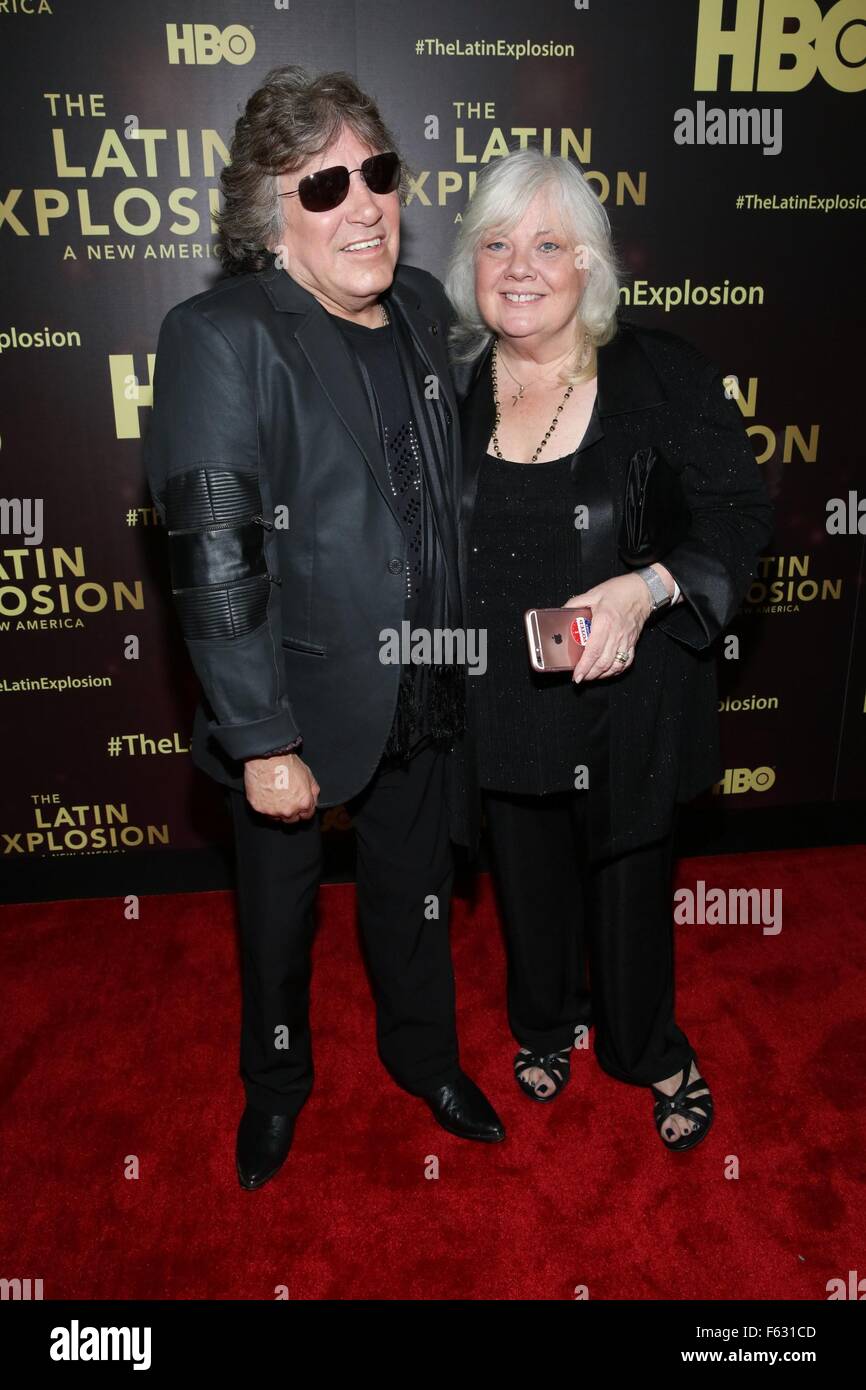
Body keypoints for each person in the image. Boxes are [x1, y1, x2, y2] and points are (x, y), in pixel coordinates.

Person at [144, 66, 504, 1192]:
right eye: (323, 185)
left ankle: (425, 1059)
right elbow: (213, 556)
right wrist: (258, 738)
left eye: (377, 174)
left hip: (423, 681)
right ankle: (276, 1088)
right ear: (269, 217)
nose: (363, 205)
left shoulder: (424, 303)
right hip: (295, 705)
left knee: (414, 894)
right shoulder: (217, 334)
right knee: (278, 921)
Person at [445, 147, 774, 1151]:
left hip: (627, 694)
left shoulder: (656, 372)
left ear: (590, 264)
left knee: (630, 882)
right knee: (525, 868)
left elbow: (737, 513)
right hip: (498, 693)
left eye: (547, 243)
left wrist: (646, 589)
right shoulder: (446, 391)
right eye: (495, 242)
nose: (517, 264)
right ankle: (542, 1020)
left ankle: (644, 1046)